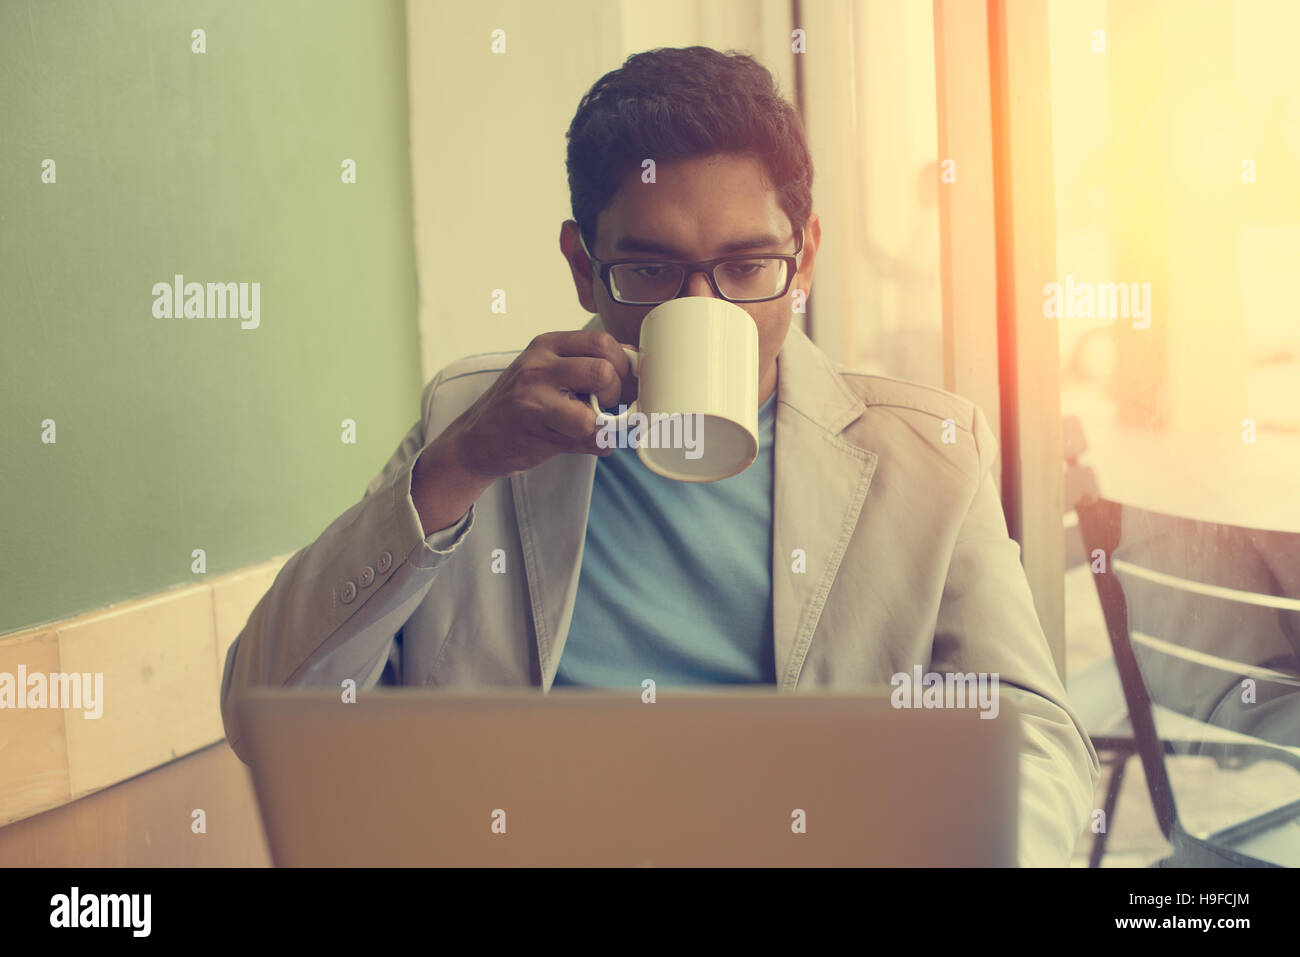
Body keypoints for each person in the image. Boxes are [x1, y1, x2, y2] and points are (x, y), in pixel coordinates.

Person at [220, 45, 1099, 866]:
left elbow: (1040, 739)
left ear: (807, 257)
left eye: (748, 266)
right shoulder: (477, 425)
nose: (702, 307)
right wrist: (455, 470)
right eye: (648, 271)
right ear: (582, 265)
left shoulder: (927, 457)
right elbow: (267, 708)